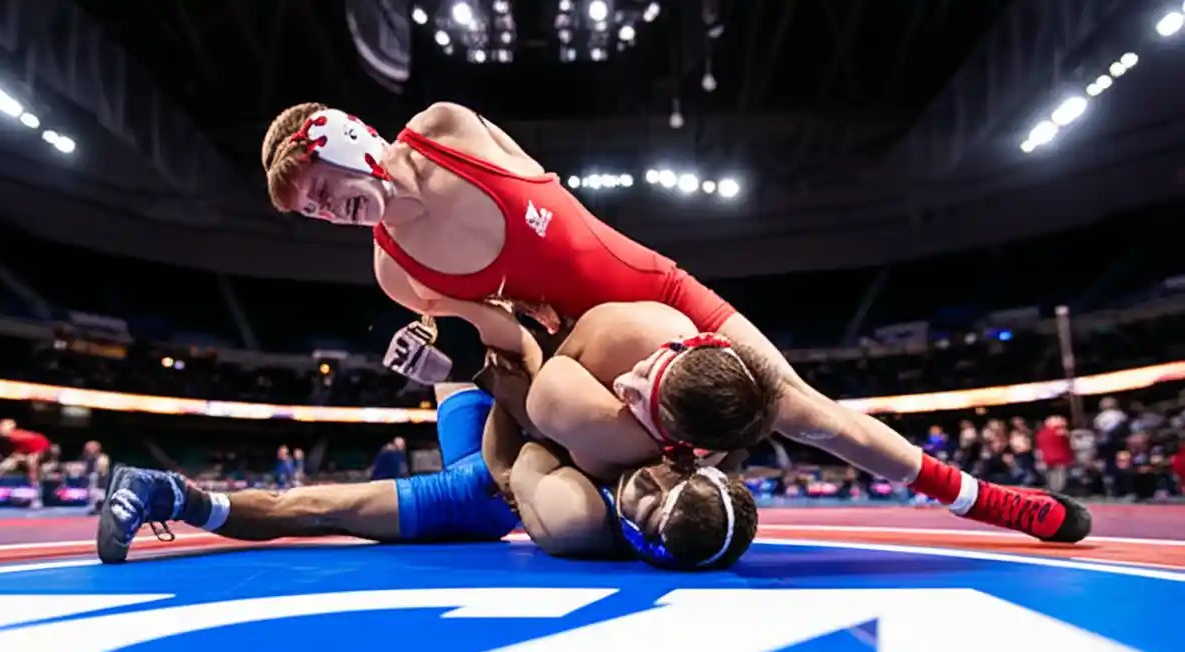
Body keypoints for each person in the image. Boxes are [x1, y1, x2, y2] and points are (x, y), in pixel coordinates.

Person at [257, 101, 1091, 544]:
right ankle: (657, 512)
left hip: (655, 289)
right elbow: (511, 335)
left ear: (348, 143)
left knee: (797, 407)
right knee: (602, 456)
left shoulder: (448, 131)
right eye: (314, 214)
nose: (331, 213)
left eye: (323, 190)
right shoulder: (395, 270)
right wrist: (485, 364)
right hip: (584, 351)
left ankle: (986, 499)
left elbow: (546, 191)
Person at [97, 381, 753, 570]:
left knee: (320, 507)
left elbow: (516, 461)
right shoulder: (694, 445)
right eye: (668, 476)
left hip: (492, 485)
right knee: (461, 346)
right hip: (532, 444)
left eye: (643, 500)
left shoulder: (577, 517)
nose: (652, 479)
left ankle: (172, 494)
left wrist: (519, 384)